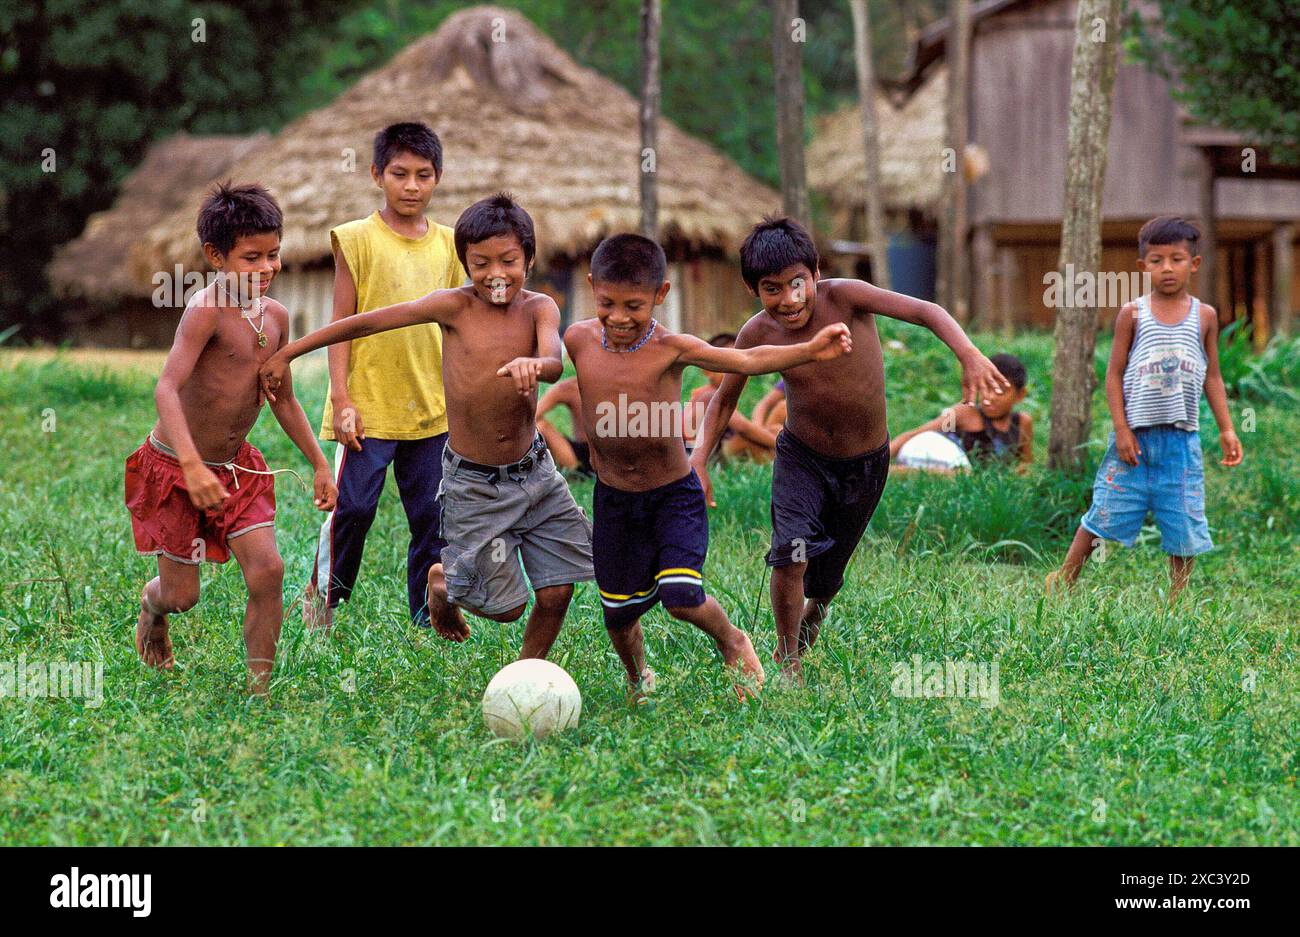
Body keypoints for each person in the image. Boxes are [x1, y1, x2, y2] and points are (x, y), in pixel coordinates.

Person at [260, 194, 593, 659]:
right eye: (481, 264)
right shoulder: (451, 306)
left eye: (509, 261)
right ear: (464, 264)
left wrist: (535, 365)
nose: (496, 273)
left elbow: (554, 362)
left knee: (558, 591)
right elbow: (365, 322)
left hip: (535, 472)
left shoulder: (540, 309)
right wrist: (290, 352)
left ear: (530, 259)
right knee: (507, 609)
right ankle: (442, 585)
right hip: (473, 480)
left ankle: (526, 675)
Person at [689, 217, 1006, 680]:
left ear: (816, 271)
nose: (789, 299)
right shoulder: (756, 334)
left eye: (798, 283)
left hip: (866, 463)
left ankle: (815, 611)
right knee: (791, 553)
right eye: (772, 288)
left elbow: (927, 312)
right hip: (802, 457)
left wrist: (970, 353)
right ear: (752, 289)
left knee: (827, 574)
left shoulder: (848, 296)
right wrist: (697, 460)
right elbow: (724, 400)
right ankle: (787, 657)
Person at [562, 233, 853, 699]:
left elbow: (746, 357)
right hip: (614, 501)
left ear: (661, 295)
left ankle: (733, 639)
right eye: (607, 303)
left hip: (673, 496)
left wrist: (810, 350)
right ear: (592, 286)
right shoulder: (577, 338)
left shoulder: (672, 347)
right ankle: (638, 678)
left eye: (634, 306)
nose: (619, 318)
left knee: (681, 598)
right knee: (618, 614)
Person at [126, 183, 337, 694]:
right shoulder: (205, 311)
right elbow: (167, 387)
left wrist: (319, 463)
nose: (266, 268)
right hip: (177, 467)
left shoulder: (277, 318)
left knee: (268, 570)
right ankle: (153, 607)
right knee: (183, 596)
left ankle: (258, 689)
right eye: (251, 258)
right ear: (216, 256)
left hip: (238, 468)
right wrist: (193, 467)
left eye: (274, 254)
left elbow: (282, 398)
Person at [306, 122, 467, 632]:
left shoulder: (450, 245)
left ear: (438, 178)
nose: (412, 186)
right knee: (352, 509)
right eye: (400, 174)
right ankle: (323, 607)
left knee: (432, 519)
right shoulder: (356, 240)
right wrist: (341, 395)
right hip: (368, 407)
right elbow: (340, 326)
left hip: (431, 409)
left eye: (423, 175)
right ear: (377, 174)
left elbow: (457, 326)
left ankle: (428, 619)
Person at [1047, 216, 1243, 601]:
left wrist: (1227, 429)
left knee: (1183, 517)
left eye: (1176, 259)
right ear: (1142, 267)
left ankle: (1178, 598)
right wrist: (1121, 430)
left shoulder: (1205, 317)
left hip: (1181, 443)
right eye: (1156, 260)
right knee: (1105, 509)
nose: (1167, 268)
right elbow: (1114, 374)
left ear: (1194, 263)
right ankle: (1064, 580)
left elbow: (1214, 377)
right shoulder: (1133, 314)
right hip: (1134, 441)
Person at [889, 352, 1033, 471]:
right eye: (986, 387)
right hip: (925, 453)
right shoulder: (963, 412)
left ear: (1020, 395)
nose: (990, 397)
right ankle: (891, 472)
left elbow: (1026, 465)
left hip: (968, 475)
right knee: (962, 474)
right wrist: (879, 461)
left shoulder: (1022, 423)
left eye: (1000, 391)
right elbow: (918, 433)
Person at [685, 333, 781, 463]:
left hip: (715, 450)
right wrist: (780, 445)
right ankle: (788, 456)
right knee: (749, 441)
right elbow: (743, 428)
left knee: (775, 430)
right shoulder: (709, 395)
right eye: (725, 365)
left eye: (738, 365)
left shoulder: (720, 395)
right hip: (691, 454)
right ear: (706, 370)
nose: (733, 373)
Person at [535, 377, 594, 476]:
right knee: (539, 426)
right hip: (579, 457)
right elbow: (529, 420)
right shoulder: (568, 388)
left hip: (613, 456)